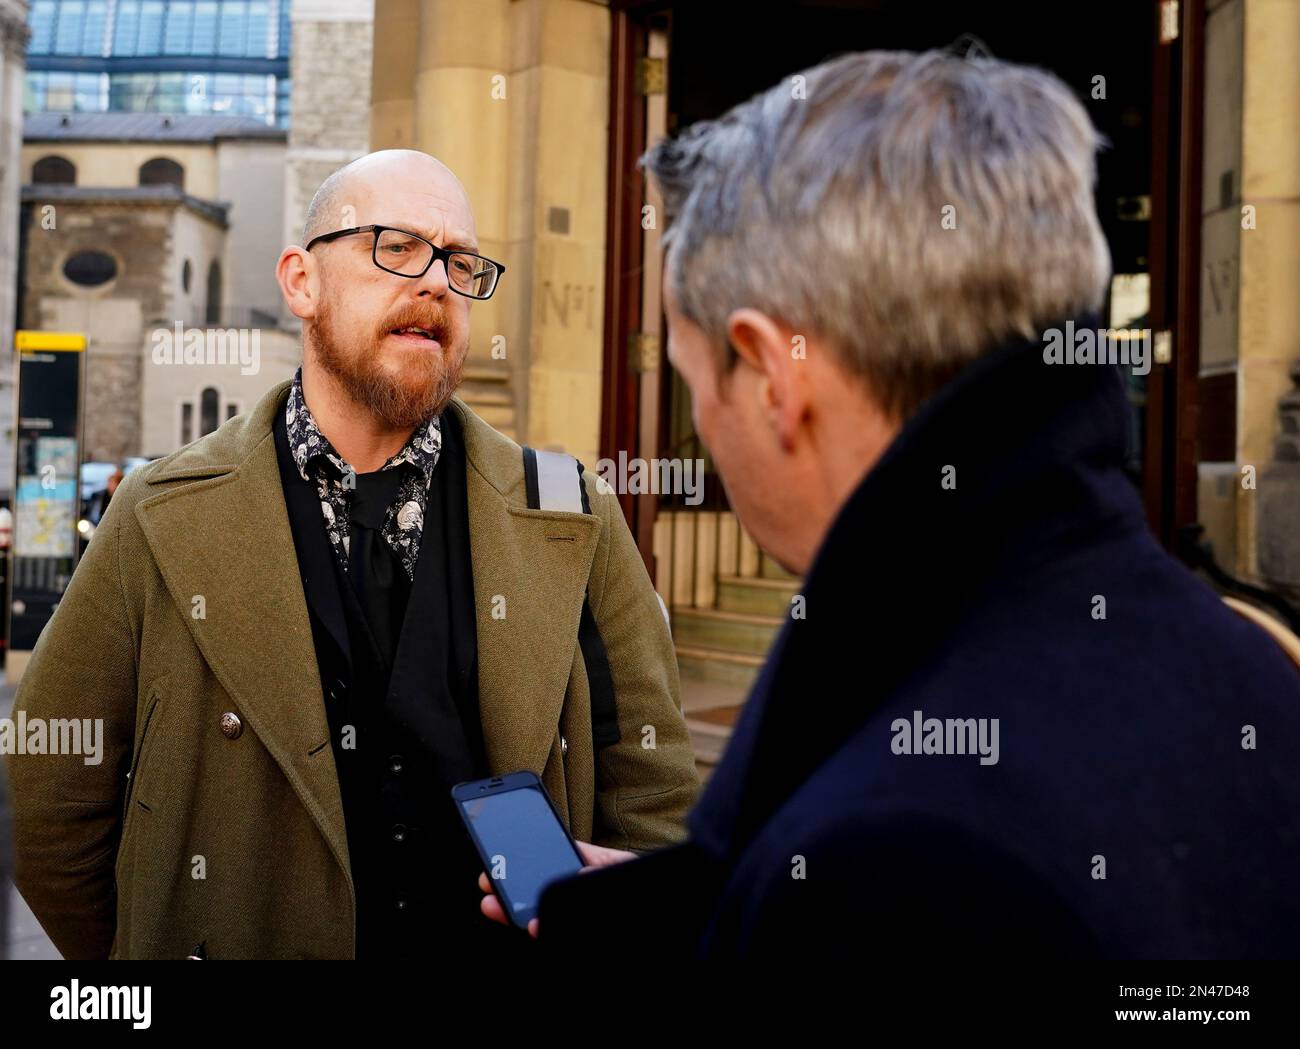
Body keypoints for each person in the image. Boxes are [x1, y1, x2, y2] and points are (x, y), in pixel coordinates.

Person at [488, 49, 1300, 960]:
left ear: (767, 375)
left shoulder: (893, 861)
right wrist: (710, 905)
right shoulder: (1253, 662)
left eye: (689, 376)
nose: (703, 426)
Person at [7, 149, 698, 960]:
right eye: (396, 246)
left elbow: (653, 794)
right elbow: (46, 791)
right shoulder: (160, 511)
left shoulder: (569, 510)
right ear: (302, 281)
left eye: (461, 261)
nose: (437, 280)